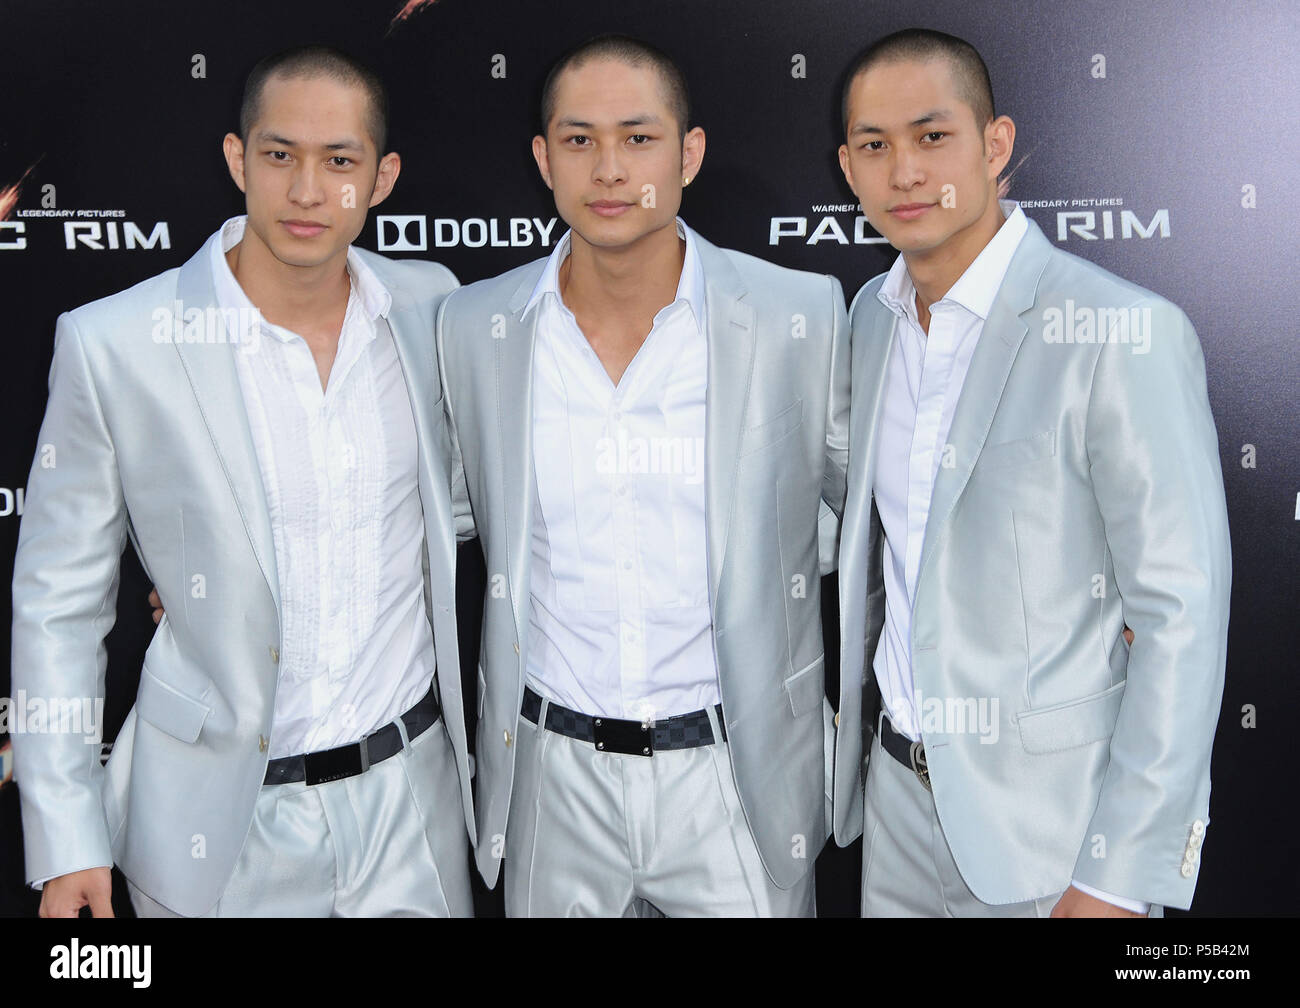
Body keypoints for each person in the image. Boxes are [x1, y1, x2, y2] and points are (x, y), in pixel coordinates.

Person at [11, 44, 475, 917]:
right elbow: (56, 606)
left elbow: (456, 510)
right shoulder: (116, 345)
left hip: (412, 812)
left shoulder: (431, 306)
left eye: (339, 161)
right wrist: (66, 836)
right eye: (279, 156)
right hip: (217, 832)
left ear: (383, 178)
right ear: (236, 159)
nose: (307, 190)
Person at [437, 34, 849, 916]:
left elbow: (889, 514)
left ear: (689, 153)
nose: (610, 170)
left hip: (737, 777)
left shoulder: (794, 317)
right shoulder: (475, 329)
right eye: (579, 141)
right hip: (551, 779)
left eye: (639, 137)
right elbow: (427, 515)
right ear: (543, 160)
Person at [831, 28, 1231, 917]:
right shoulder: (870, 319)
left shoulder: (1121, 332)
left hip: (1054, 840)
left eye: (932, 137)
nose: (904, 172)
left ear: (995, 144)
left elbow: (1181, 619)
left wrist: (1118, 874)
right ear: (848, 169)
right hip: (894, 816)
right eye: (874, 146)